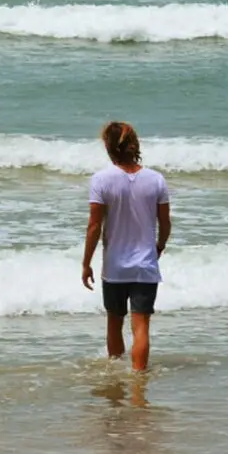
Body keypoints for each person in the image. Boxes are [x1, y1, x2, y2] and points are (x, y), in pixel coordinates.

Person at [82, 121, 171, 372]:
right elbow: (164, 222)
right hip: (145, 265)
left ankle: (115, 374)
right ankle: (138, 384)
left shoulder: (101, 180)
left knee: (114, 322)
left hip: (115, 267)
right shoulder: (155, 180)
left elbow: (94, 226)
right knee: (140, 326)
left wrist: (86, 263)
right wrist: (159, 246)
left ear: (109, 147)